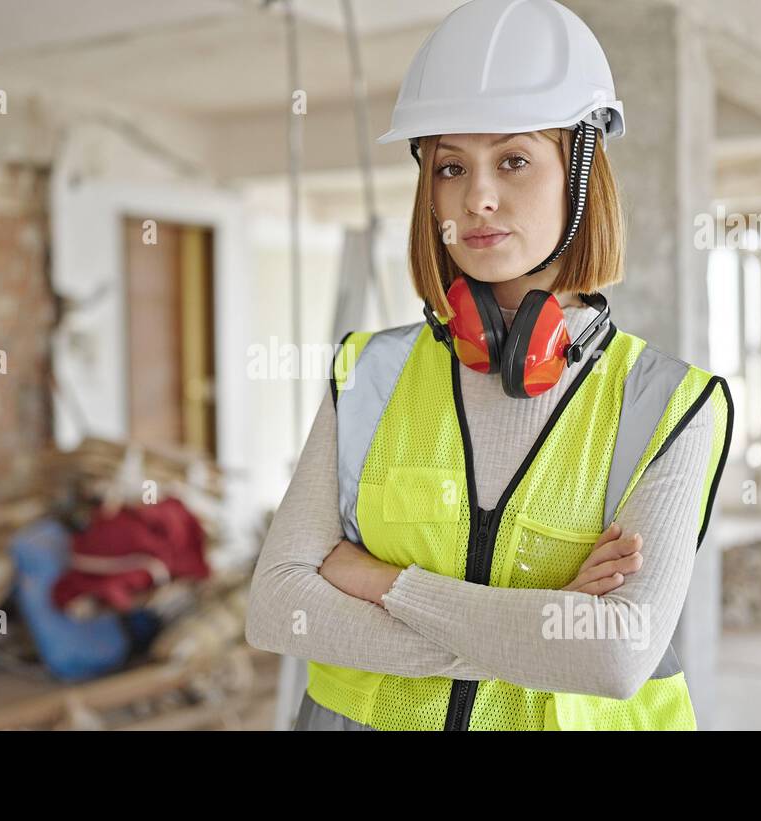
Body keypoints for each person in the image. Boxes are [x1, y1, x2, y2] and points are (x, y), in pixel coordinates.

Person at [246, 0, 732, 731]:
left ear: (579, 172)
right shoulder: (368, 374)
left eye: (513, 159)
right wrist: (540, 624)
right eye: (449, 166)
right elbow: (279, 607)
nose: (475, 197)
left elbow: (615, 658)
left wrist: (383, 583)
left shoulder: (670, 403)